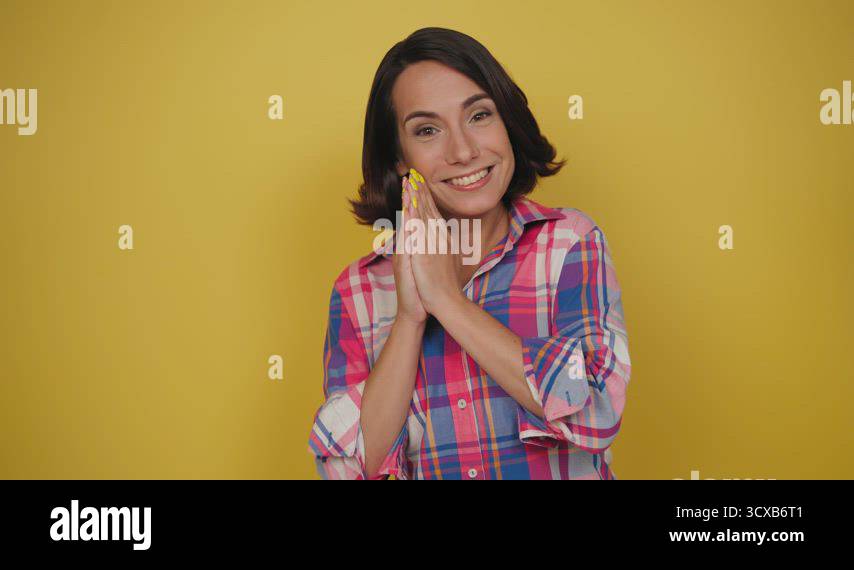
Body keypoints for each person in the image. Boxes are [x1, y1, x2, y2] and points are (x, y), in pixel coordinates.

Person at [308, 27, 631, 479]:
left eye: (479, 116)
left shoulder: (570, 244)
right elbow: (346, 471)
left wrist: (448, 302)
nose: (462, 151)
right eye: (427, 130)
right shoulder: (358, 290)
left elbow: (593, 412)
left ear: (507, 121)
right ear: (400, 159)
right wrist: (409, 318)